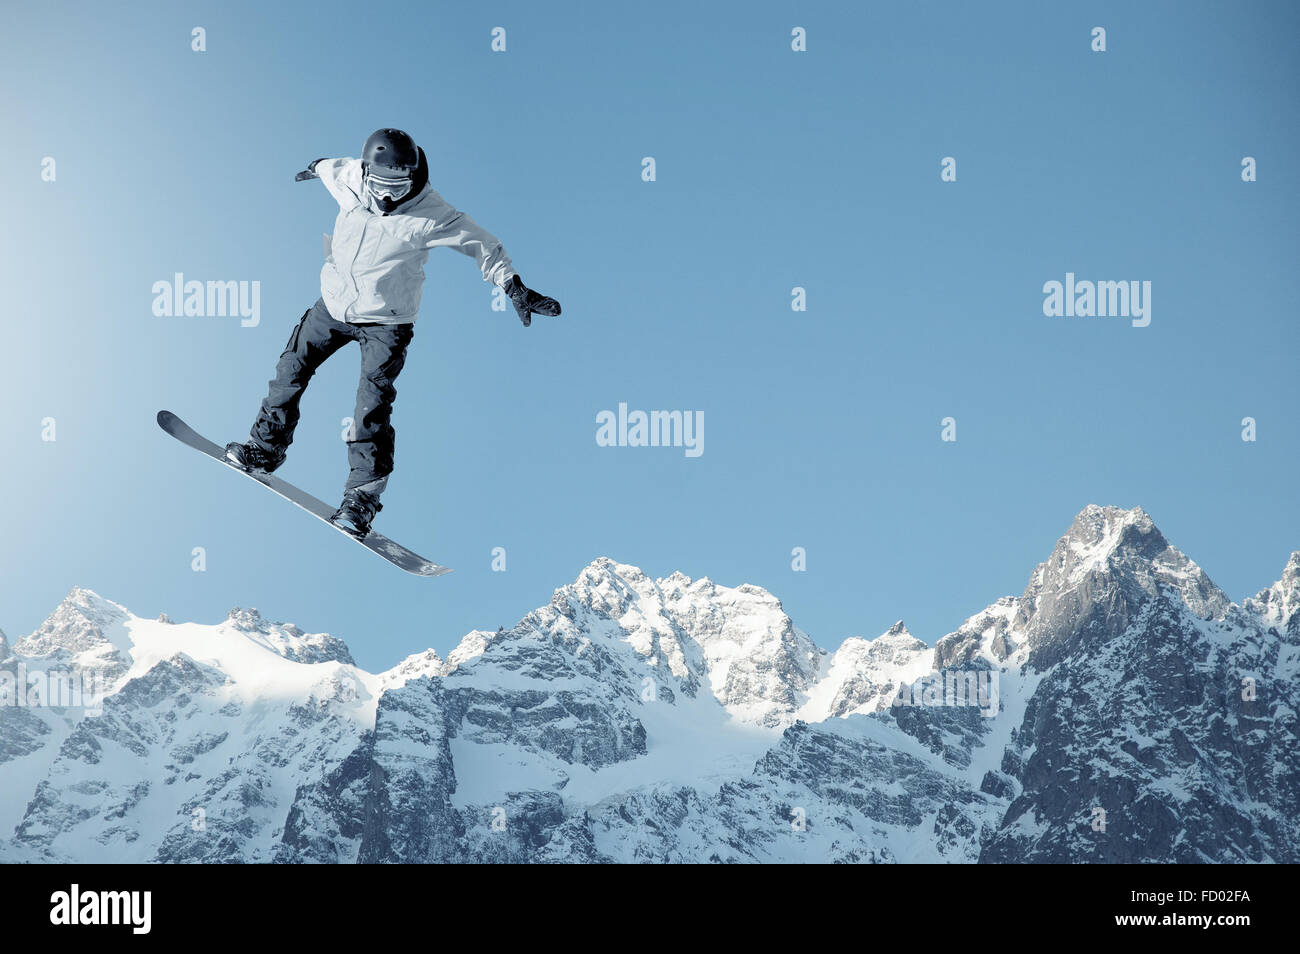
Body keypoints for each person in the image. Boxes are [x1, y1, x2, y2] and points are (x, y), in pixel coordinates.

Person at [224, 128, 561, 537]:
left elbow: (482, 244)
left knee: (371, 405)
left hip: (387, 321)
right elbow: (331, 166)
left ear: (412, 177)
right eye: (380, 183)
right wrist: (314, 167)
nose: (387, 194)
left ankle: (360, 499)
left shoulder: (432, 213)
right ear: (366, 172)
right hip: (332, 306)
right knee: (289, 370)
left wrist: (513, 285)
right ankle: (264, 448)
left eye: (398, 185)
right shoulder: (349, 176)